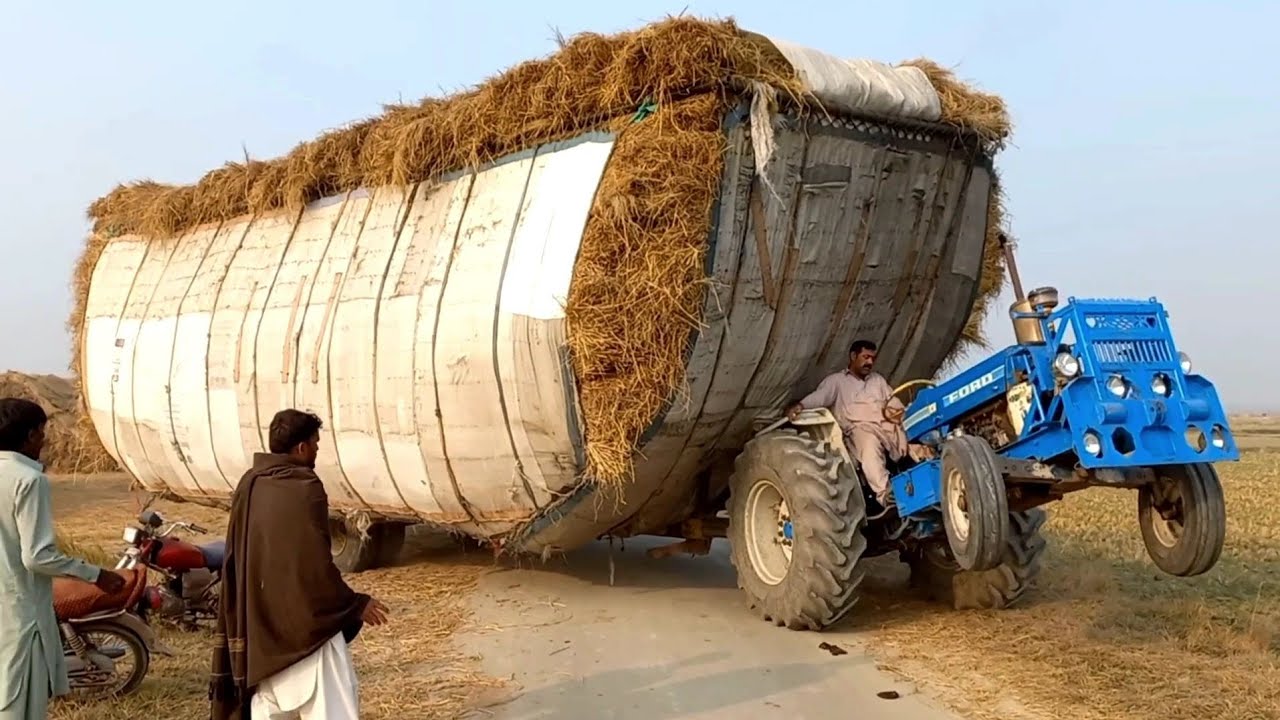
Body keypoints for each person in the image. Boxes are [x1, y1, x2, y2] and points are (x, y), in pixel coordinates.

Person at [210, 409, 388, 720]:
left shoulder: (249, 483)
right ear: (302, 448)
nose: (318, 450)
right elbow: (314, 568)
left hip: (261, 630)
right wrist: (355, 604)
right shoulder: (304, 486)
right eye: (316, 444)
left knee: (269, 709)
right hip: (306, 635)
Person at [0, 397, 126, 720]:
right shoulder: (28, 480)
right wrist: (96, 574)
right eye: (42, 432)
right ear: (30, 435)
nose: (45, 440)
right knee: (18, 706)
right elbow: (37, 556)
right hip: (21, 618)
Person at [786, 340, 909, 517]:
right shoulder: (837, 381)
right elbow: (819, 397)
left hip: (886, 428)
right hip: (859, 430)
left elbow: (892, 402)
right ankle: (886, 495)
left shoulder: (878, 380)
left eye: (873, 358)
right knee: (869, 446)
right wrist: (800, 406)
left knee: (915, 435)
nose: (870, 362)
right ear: (853, 356)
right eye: (865, 357)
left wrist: (901, 415)